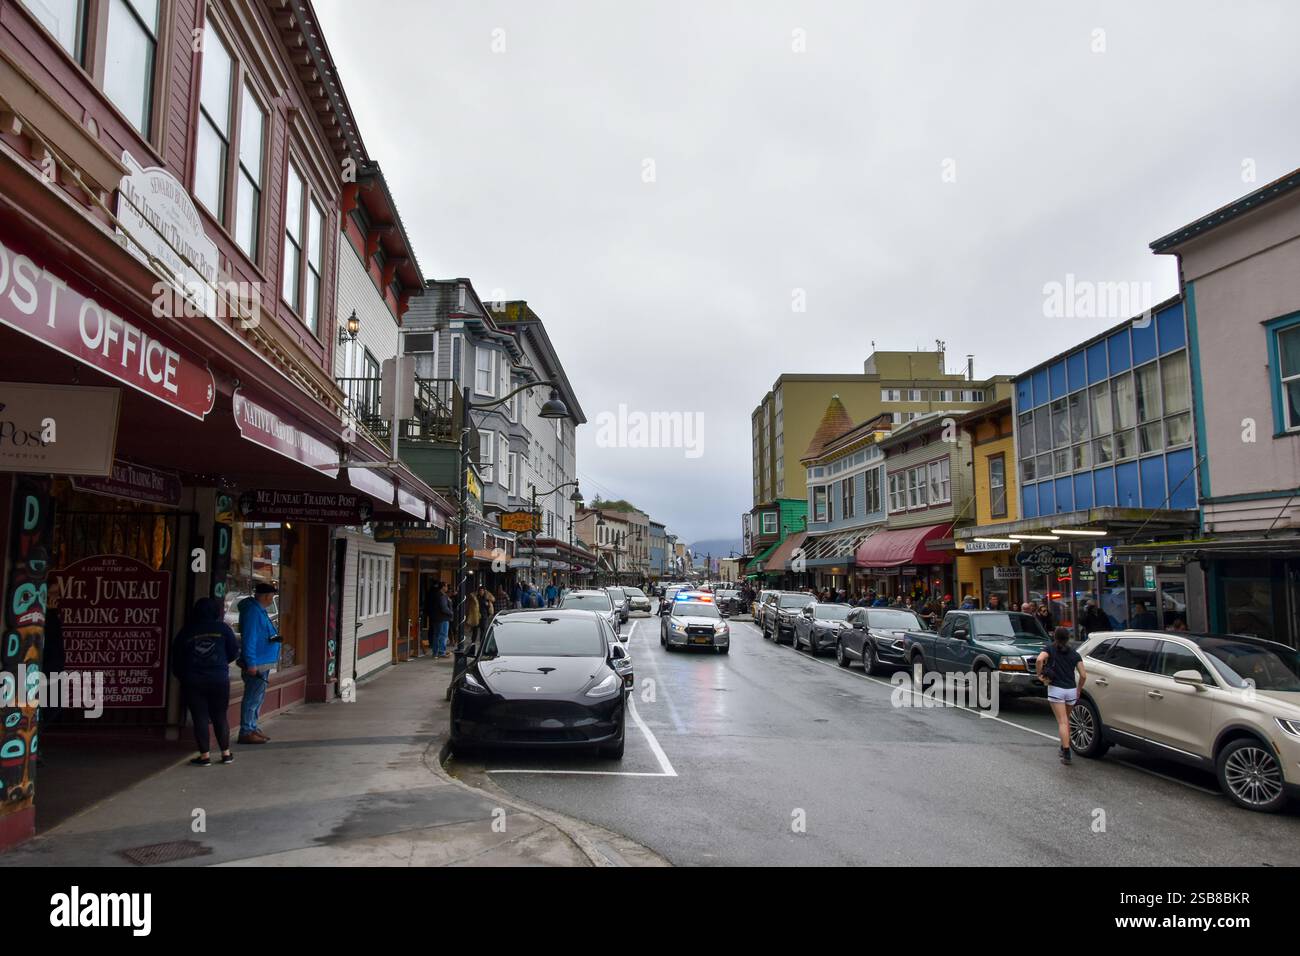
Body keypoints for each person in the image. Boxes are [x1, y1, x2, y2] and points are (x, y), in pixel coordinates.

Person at [172, 597, 240, 766]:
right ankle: (226, 753)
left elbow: (177, 657)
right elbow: (233, 651)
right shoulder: (223, 629)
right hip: (218, 678)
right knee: (220, 715)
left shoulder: (187, 631)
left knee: (200, 716)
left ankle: (205, 756)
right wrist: (221, 663)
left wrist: (184, 676)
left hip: (194, 679)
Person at [237, 582, 280, 745]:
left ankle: (252, 727)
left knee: (257, 697)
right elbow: (250, 639)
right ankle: (246, 731)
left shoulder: (258, 611)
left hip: (263, 661)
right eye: (271, 596)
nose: (272, 600)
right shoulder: (253, 612)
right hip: (257, 663)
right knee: (252, 698)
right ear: (266, 596)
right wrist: (251, 663)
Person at [1036, 626, 1086, 765]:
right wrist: (1079, 689)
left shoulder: (1050, 649)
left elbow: (1040, 660)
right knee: (1067, 720)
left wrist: (1039, 674)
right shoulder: (1074, 653)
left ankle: (1066, 752)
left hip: (1056, 689)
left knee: (1062, 722)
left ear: (1055, 637)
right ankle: (1064, 746)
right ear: (1068, 638)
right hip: (1071, 690)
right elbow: (1083, 675)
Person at [430, 580, 452, 657]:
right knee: (443, 635)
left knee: (436, 635)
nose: (447, 588)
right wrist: (451, 612)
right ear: (443, 587)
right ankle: (441, 652)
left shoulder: (435, 594)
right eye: (446, 586)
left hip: (436, 618)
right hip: (442, 618)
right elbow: (444, 608)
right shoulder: (442, 596)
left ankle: (435, 652)